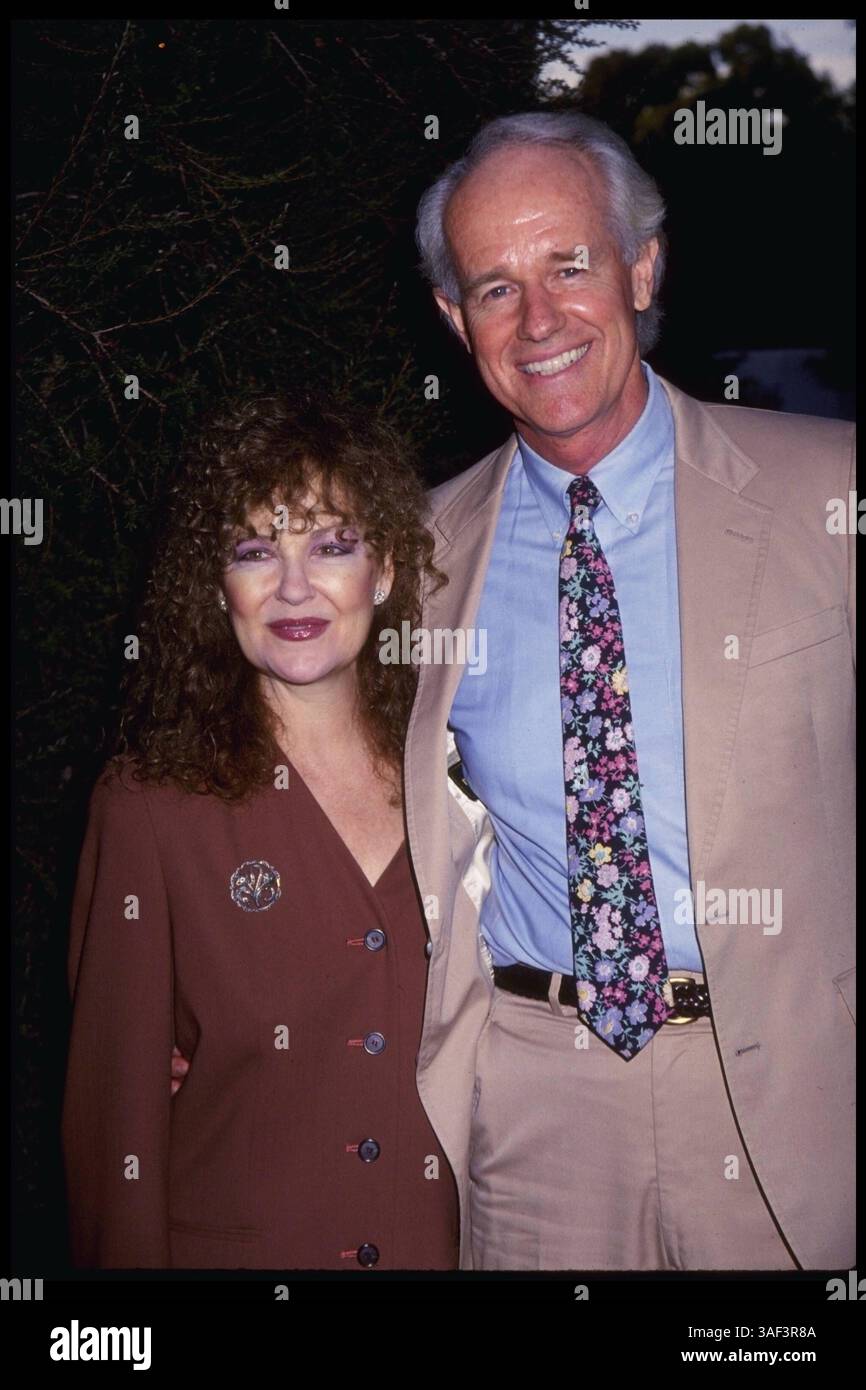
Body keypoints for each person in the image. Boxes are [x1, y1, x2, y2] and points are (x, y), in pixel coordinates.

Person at [402, 111, 855, 1271]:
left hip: (787, 1095)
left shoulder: (827, 493)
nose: (539, 318)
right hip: (535, 1100)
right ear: (456, 320)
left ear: (640, 266)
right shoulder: (413, 556)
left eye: (568, 264)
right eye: (494, 288)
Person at [61, 392, 458, 1270]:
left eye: (330, 545)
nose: (291, 588)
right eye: (253, 553)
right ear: (217, 585)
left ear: (384, 569)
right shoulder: (150, 807)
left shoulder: (462, 777)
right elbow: (112, 1117)